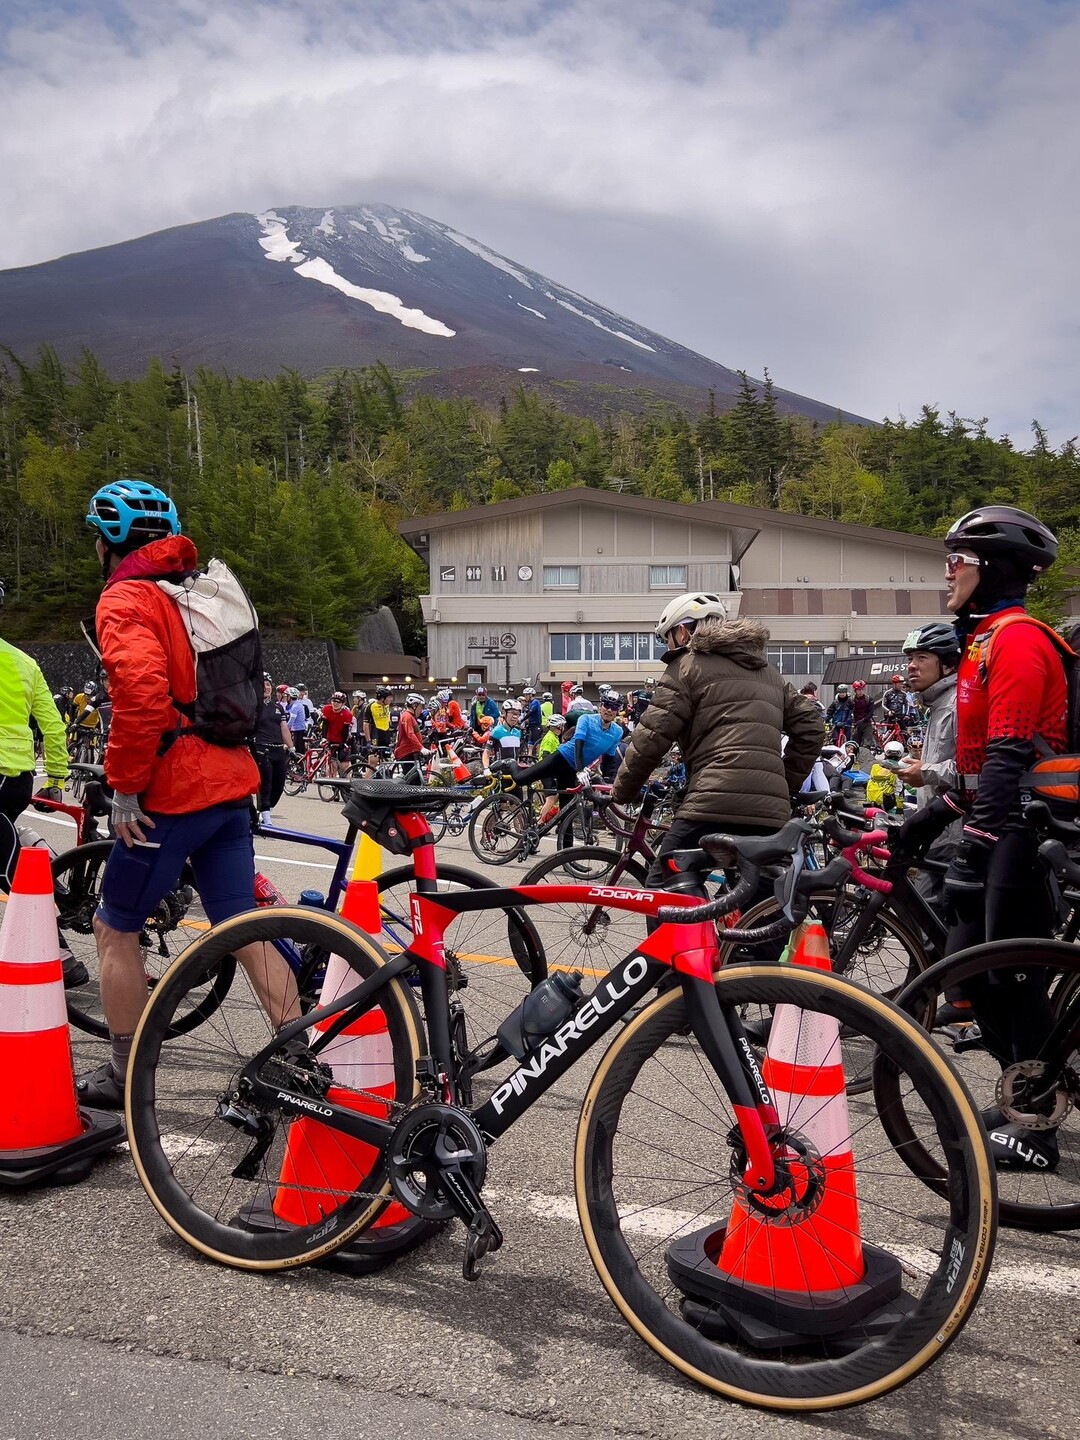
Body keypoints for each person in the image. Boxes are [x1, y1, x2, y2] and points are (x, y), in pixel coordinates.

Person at [77, 480, 297, 1108]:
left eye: (97, 535)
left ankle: (124, 1075)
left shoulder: (127, 600)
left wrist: (123, 788)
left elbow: (142, 699)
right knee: (242, 925)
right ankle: (295, 1056)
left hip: (173, 794)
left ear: (111, 541)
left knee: (115, 928)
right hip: (231, 783)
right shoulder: (195, 589)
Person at [889, 506, 1065, 1169]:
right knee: (976, 979)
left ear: (993, 569)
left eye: (957, 561)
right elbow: (971, 761)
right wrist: (931, 818)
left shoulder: (1018, 638)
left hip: (1020, 831)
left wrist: (980, 836)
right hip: (991, 823)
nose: (948, 572)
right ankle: (1026, 1092)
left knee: (1015, 981)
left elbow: (1010, 750)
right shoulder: (985, 640)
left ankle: (1039, 1125)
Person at [611, 592, 822, 894]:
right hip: (769, 813)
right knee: (760, 904)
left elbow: (651, 738)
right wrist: (782, 785)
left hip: (711, 804)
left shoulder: (686, 666)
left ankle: (693, 941)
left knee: (664, 884)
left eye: (666, 638)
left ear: (682, 631)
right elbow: (812, 727)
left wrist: (622, 792)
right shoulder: (769, 673)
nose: (668, 646)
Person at [255, 673, 293, 826]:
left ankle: (264, 811)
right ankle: (266, 818)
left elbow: (284, 728)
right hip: (262, 749)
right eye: (263, 685)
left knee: (278, 784)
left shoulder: (278, 707)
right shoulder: (253, 706)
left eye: (268, 685)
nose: (266, 688)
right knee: (266, 783)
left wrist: (292, 748)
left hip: (278, 749)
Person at [320, 691, 354, 778]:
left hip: (342, 739)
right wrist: (323, 738)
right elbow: (325, 725)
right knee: (332, 765)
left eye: (338, 702)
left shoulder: (347, 714)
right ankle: (332, 782)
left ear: (343, 703)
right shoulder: (326, 709)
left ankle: (346, 784)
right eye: (333, 701)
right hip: (330, 739)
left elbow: (345, 731)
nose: (335, 704)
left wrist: (343, 742)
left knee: (344, 766)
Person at [866, 740, 906, 812]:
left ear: (885, 754)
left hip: (872, 800)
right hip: (889, 804)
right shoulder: (898, 770)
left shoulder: (875, 767)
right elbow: (899, 789)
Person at [394, 692, 426, 766]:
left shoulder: (410, 716)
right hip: (407, 753)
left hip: (411, 751)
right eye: (421, 707)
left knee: (415, 776)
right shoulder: (407, 716)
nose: (422, 710)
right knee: (414, 777)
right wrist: (421, 748)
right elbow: (410, 734)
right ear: (414, 705)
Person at [882, 673, 918, 738]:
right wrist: (888, 711)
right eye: (900, 684)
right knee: (888, 736)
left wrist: (907, 715)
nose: (902, 685)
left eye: (902, 683)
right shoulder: (887, 693)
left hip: (900, 718)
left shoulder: (904, 694)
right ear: (894, 684)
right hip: (890, 718)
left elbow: (907, 705)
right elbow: (883, 705)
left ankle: (905, 747)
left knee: (905, 735)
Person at [850, 679, 877, 751]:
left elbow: (871, 712)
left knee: (867, 744)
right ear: (855, 690)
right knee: (855, 744)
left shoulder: (869, 699)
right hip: (856, 724)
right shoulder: (851, 700)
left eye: (862, 689)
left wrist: (863, 720)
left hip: (866, 723)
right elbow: (848, 711)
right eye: (859, 690)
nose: (861, 691)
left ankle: (865, 758)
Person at [286, 687, 308, 752]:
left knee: (298, 752)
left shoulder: (295, 706)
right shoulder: (297, 704)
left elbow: (291, 721)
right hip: (299, 730)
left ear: (290, 696)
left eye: (287, 695)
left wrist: (284, 729)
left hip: (298, 731)